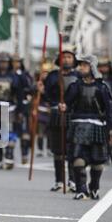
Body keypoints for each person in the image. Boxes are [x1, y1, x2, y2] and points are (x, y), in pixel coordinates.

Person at [59, 55, 112, 200]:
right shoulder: (75, 86)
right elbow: (68, 104)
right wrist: (63, 107)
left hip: (97, 126)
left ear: (92, 67)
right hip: (79, 126)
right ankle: (81, 189)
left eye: (84, 65)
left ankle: (94, 187)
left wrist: (111, 128)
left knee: (98, 162)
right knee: (78, 159)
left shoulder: (102, 87)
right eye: (81, 65)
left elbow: (109, 110)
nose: (81, 68)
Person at [43, 46, 79, 192]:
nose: (66, 59)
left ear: (74, 60)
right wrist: (40, 89)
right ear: (60, 59)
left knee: (72, 148)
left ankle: (72, 180)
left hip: (73, 114)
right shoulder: (52, 76)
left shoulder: (79, 76)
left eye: (70, 57)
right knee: (58, 149)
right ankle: (59, 180)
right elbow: (46, 96)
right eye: (64, 57)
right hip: (56, 113)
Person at [11, 54, 34, 165]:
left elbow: (30, 88)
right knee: (11, 132)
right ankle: (8, 156)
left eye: (18, 62)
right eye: (14, 62)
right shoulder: (8, 75)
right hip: (10, 106)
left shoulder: (25, 75)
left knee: (24, 133)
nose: (16, 64)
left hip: (23, 106)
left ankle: (24, 154)